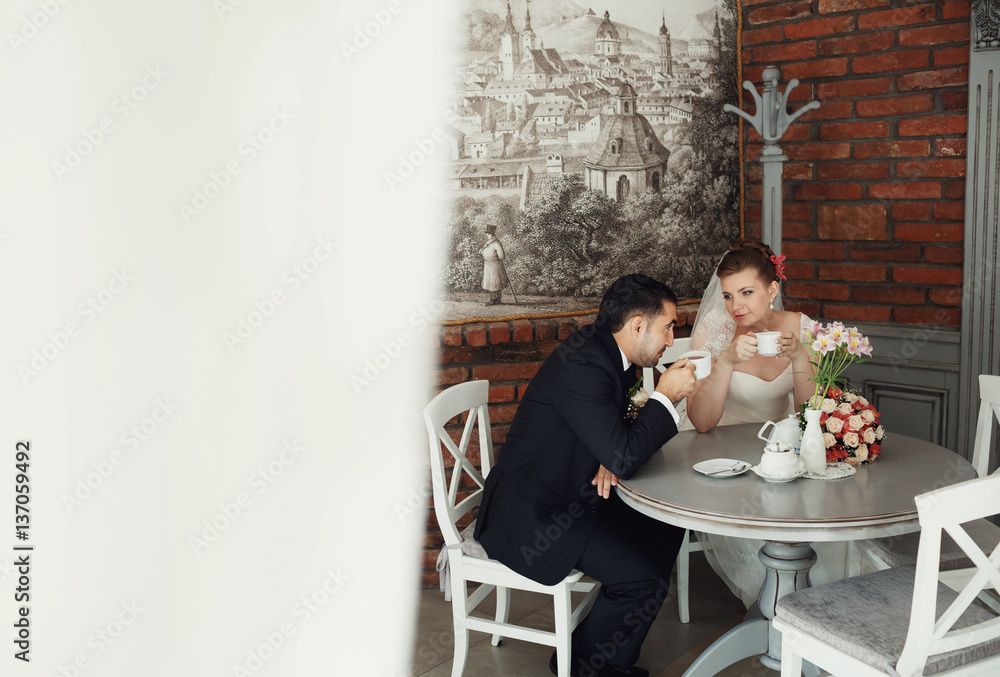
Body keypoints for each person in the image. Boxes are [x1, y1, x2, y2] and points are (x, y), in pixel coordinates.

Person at [474, 274, 697, 677]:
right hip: (532, 512)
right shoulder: (582, 362)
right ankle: (588, 668)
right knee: (643, 580)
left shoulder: (610, 354)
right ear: (638, 326)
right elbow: (627, 454)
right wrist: (665, 397)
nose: (671, 338)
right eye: (668, 327)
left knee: (667, 527)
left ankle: (588, 657)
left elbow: (615, 442)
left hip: (575, 490)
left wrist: (607, 452)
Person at [683, 241, 854, 608]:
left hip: (782, 450)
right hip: (724, 451)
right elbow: (701, 422)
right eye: (728, 296)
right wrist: (726, 362)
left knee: (824, 515)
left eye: (746, 292)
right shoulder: (716, 330)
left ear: (772, 290)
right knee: (766, 521)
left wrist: (799, 357)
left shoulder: (800, 327)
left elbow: (811, 413)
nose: (735, 307)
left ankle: (824, 613)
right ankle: (782, 611)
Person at [481, 224, 508, 306]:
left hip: (494, 265)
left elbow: (502, 256)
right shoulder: (488, 243)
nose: (488, 236)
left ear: (493, 234)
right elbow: (481, 251)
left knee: (495, 282)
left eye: (489, 234)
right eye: (487, 234)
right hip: (488, 264)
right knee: (490, 282)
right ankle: (495, 299)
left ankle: (495, 299)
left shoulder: (496, 243)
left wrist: (495, 259)